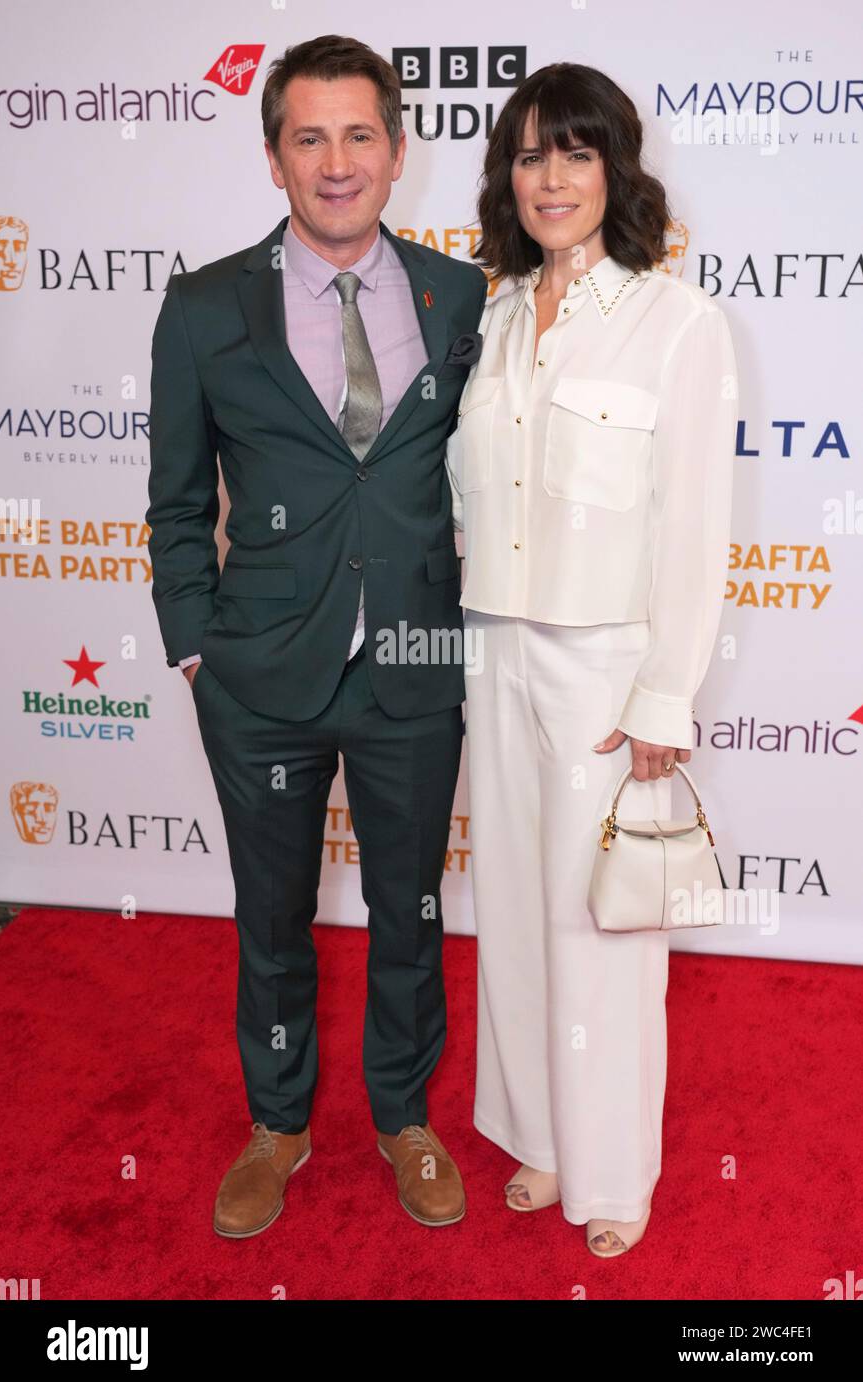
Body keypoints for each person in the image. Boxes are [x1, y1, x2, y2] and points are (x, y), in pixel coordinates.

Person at [146, 34, 487, 1238]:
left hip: (414, 661)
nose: (335, 162)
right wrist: (199, 648)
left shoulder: (463, 299)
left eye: (358, 136)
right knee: (271, 915)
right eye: (308, 137)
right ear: (274, 159)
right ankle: (278, 1123)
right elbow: (177, 503)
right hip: (261, 676)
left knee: (409, 910)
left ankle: (402, 1116)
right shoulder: (201, 307)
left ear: (397, 153)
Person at [445, 62, 737, 1256]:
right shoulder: (495, 313)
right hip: (493, 653)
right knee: (510, 908)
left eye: (572, 152)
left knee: (603, 930)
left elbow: (693, 524)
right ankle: (539, 1134)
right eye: (525, 155)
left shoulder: (678, 322)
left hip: (604, 677)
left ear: (615, 169)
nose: (548, 178)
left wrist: (665, 693)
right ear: (503, 177)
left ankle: (612, 1172)